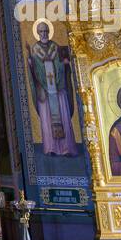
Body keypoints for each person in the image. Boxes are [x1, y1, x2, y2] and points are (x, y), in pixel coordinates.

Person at [27, 22, 78, 156]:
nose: (44, 34)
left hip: (58, 88)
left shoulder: (54, 46)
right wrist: (30, 64)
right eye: (41, 31)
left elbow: (59, 63)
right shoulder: (35, 49)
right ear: (37, 33)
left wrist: (64, 64)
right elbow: (36, 69)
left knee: (63, 116)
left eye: (45, 31)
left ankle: (66, 147)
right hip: (44, 91)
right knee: (47, 118)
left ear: (49, 31)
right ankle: (51, 148)